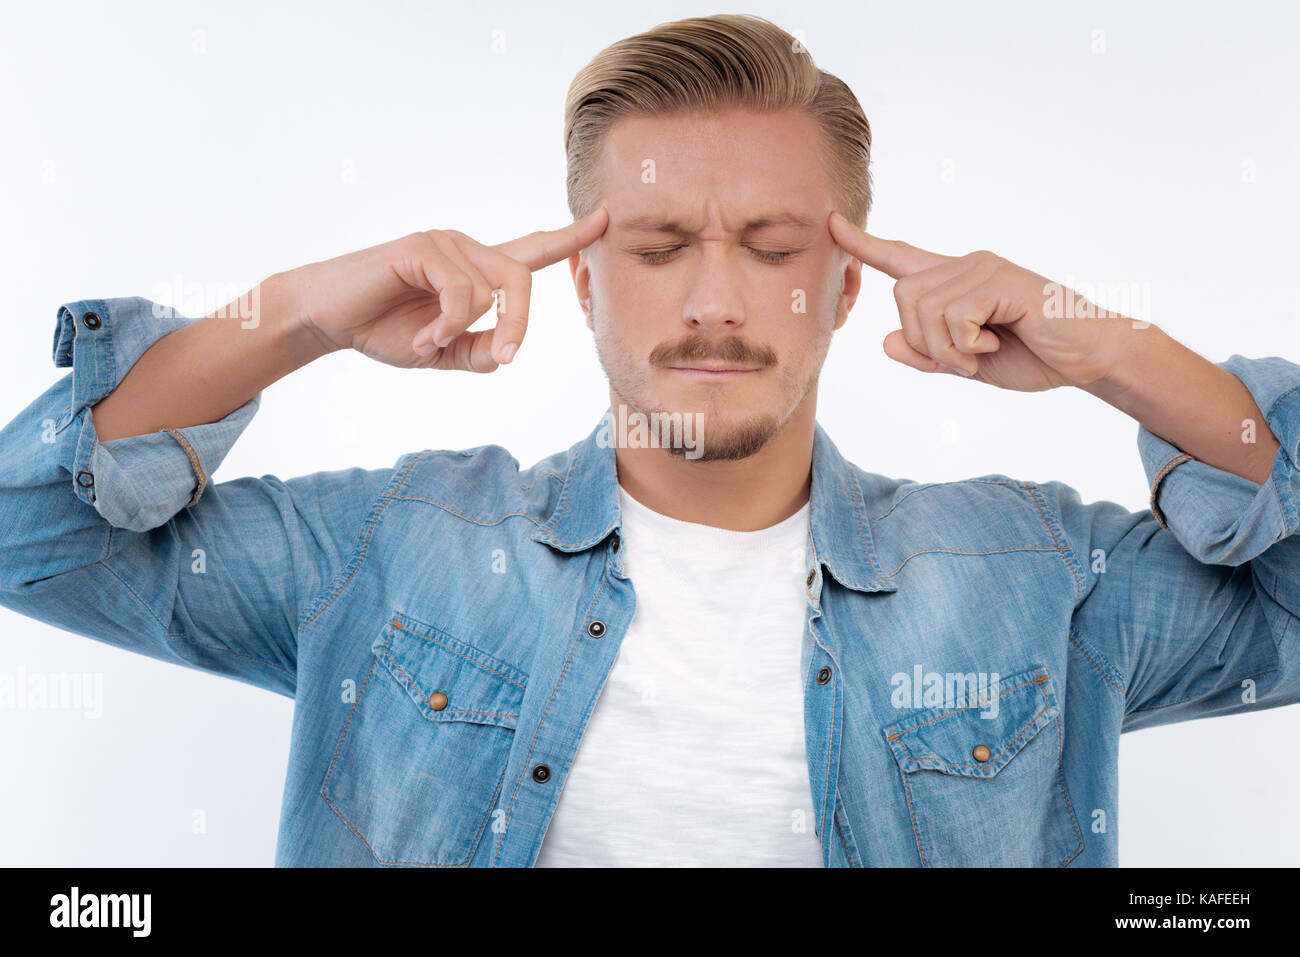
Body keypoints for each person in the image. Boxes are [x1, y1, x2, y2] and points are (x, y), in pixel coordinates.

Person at [2, 13, 1297, 868]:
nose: (718, 299)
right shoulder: (389, 552)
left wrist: (1114, 348)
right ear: (582, 279)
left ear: (848, 285)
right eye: (659, 246)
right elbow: (26, 528)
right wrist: (301, 311)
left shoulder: (1036, 575)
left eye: (779, 248)